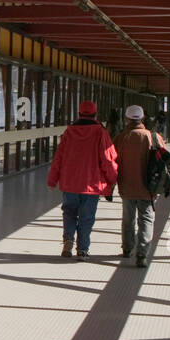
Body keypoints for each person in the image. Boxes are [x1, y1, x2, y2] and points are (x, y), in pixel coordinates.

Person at [48, 100, 118, 260]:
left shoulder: (69, 132)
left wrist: (52, 180)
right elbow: (107, 158)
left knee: (69, 212)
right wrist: (112, 178)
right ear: (95, 114)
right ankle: (82, 249)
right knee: (87, 217)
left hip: (69, 182)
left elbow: (58, 157)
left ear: (79, 114)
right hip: (91, 184)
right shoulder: (101, 132)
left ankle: (68, 239)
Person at [114, 104, 163, 268]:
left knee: (128, 219)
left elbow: (113, 161)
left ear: (127, 119)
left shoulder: (121, 138)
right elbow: (163, 160)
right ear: (142, 119)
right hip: (149, 187)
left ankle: (128, 248)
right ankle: (142, 254)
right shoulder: (153, 137)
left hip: (127, 187)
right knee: (146, 219)